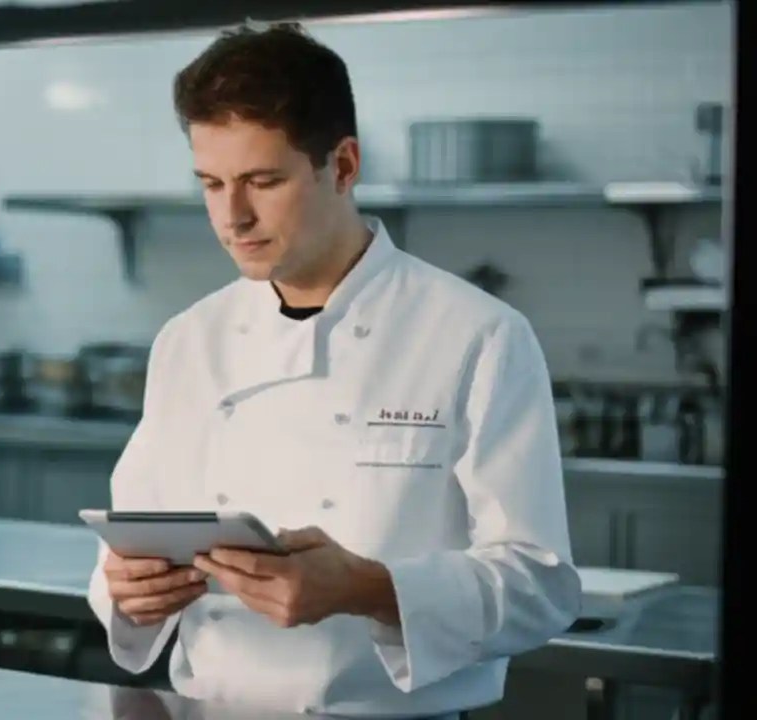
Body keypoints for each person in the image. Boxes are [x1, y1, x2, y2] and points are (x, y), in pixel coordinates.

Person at [85, 22, 581, 719]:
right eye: (211, 183)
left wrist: (365, 588)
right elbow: (125, 552)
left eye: (263, 180)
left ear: (342, 166)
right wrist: (126, 590)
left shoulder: (477, 334)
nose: (233, 217)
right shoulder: (188, 340)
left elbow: (541, 585)